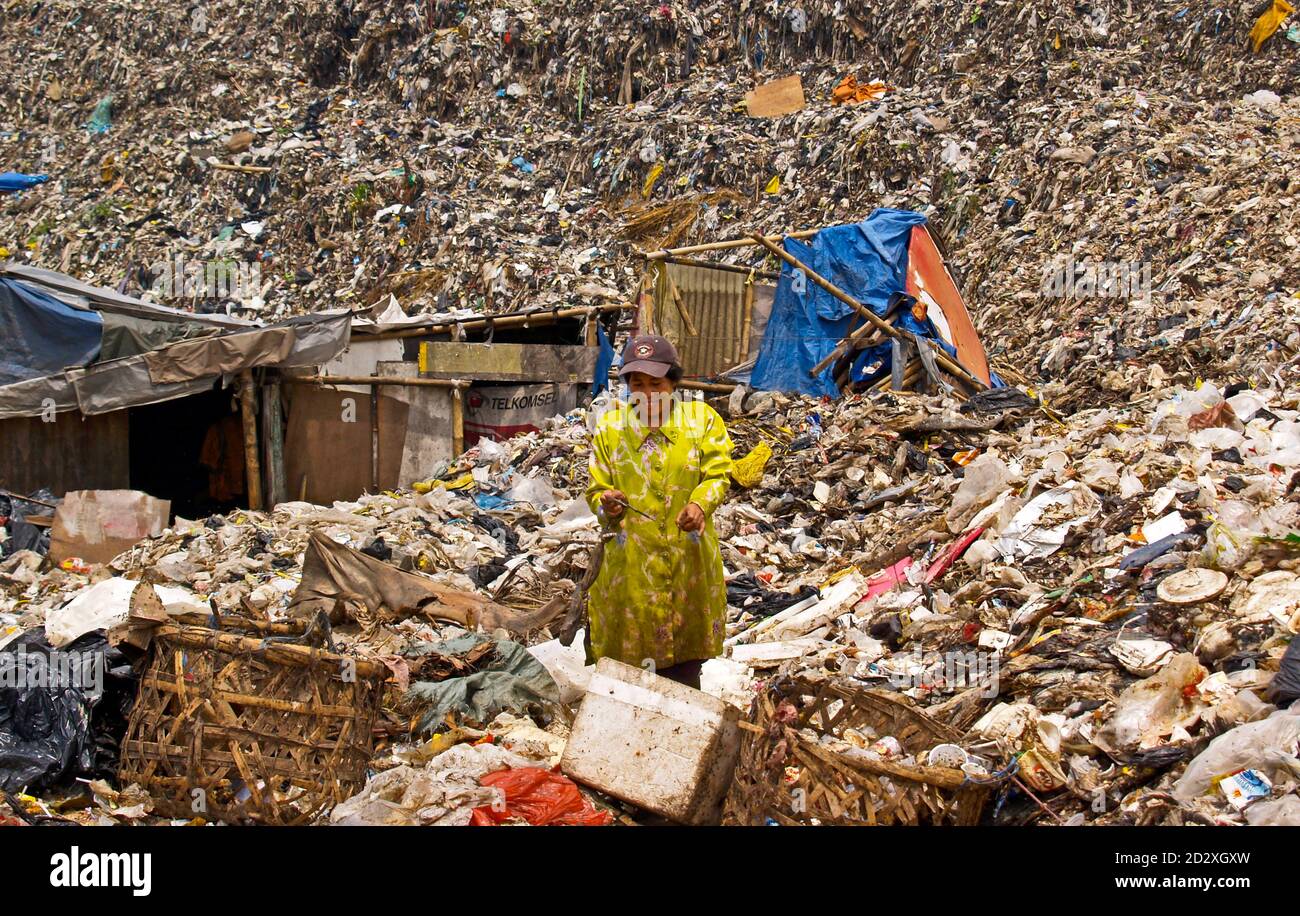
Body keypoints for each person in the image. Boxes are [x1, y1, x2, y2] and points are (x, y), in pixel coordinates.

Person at [584, 335, 734, 689]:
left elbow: (718, 472)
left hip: (688, 566)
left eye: (656, 384)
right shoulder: (610, 430)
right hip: (631, 570)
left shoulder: (701, 422)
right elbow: (594, 490)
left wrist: (699, 505)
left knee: (684, 673)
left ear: (673, 383)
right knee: (630, 675)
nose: (648, 393)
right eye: (638, 384)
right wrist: (607, 502)